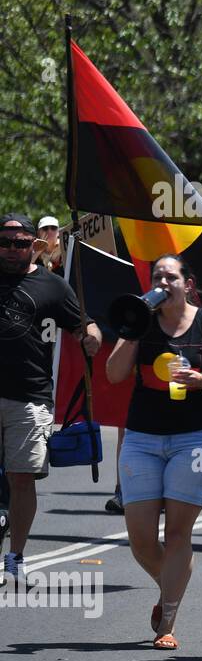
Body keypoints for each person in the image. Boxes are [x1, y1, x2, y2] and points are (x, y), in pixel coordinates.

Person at [103, 255, 202, 648]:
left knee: (179, 532)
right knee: (140, 536)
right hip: (142, 438)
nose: (163, 282)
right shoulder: (139, 320)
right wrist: (133, 326)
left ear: (188, 284)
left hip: (194, 439)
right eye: (157, 276)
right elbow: (113, 374)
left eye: (170, 276)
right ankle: (172, 582)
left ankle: (168, 623)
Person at [0, 215, 102, 586]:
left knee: (22, 478)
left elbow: (84, 324)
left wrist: (92, 337)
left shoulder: (53, 286)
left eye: (21, 242)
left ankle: (15, 556)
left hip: (30, 396)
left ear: (33, 246)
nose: (13, 249)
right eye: (6, 241)